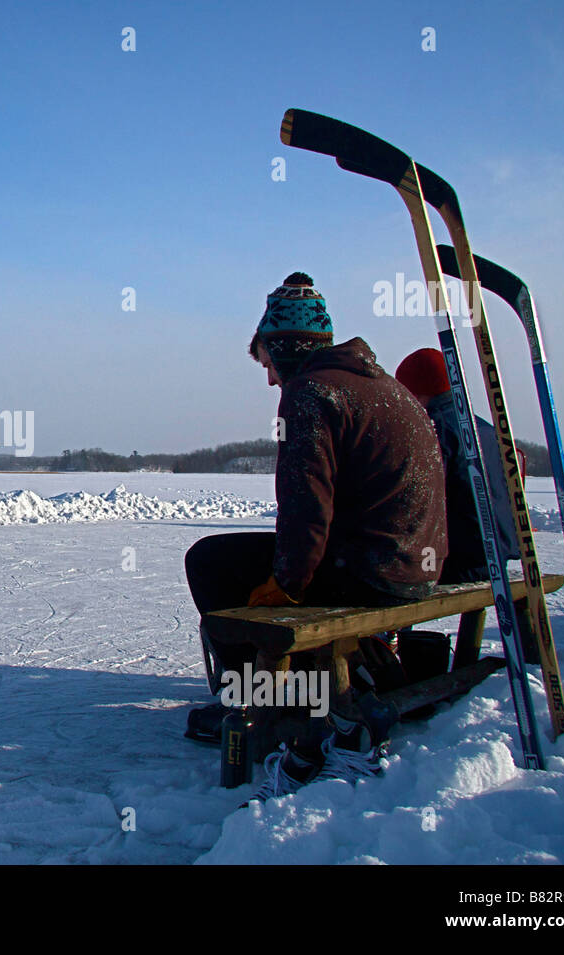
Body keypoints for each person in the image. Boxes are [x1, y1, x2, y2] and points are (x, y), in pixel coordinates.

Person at [184, 273, 448, 800]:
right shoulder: (382, 385)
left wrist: (288, 581)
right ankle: (318, 681)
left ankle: (262, 702)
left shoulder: (311, 391)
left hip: (372, 570)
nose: (269, 381)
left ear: (283, 350)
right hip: (414, 566)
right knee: (258, 563)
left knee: (211, 561)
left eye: (265, 363)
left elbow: (306, 508)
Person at [394, 347, 538, 663]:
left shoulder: (431, 430)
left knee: (377, 581)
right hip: (495, 554)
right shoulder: (484, 427)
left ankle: (384, 663)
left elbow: (414, 501)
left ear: (417, 392)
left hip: (460, 559)